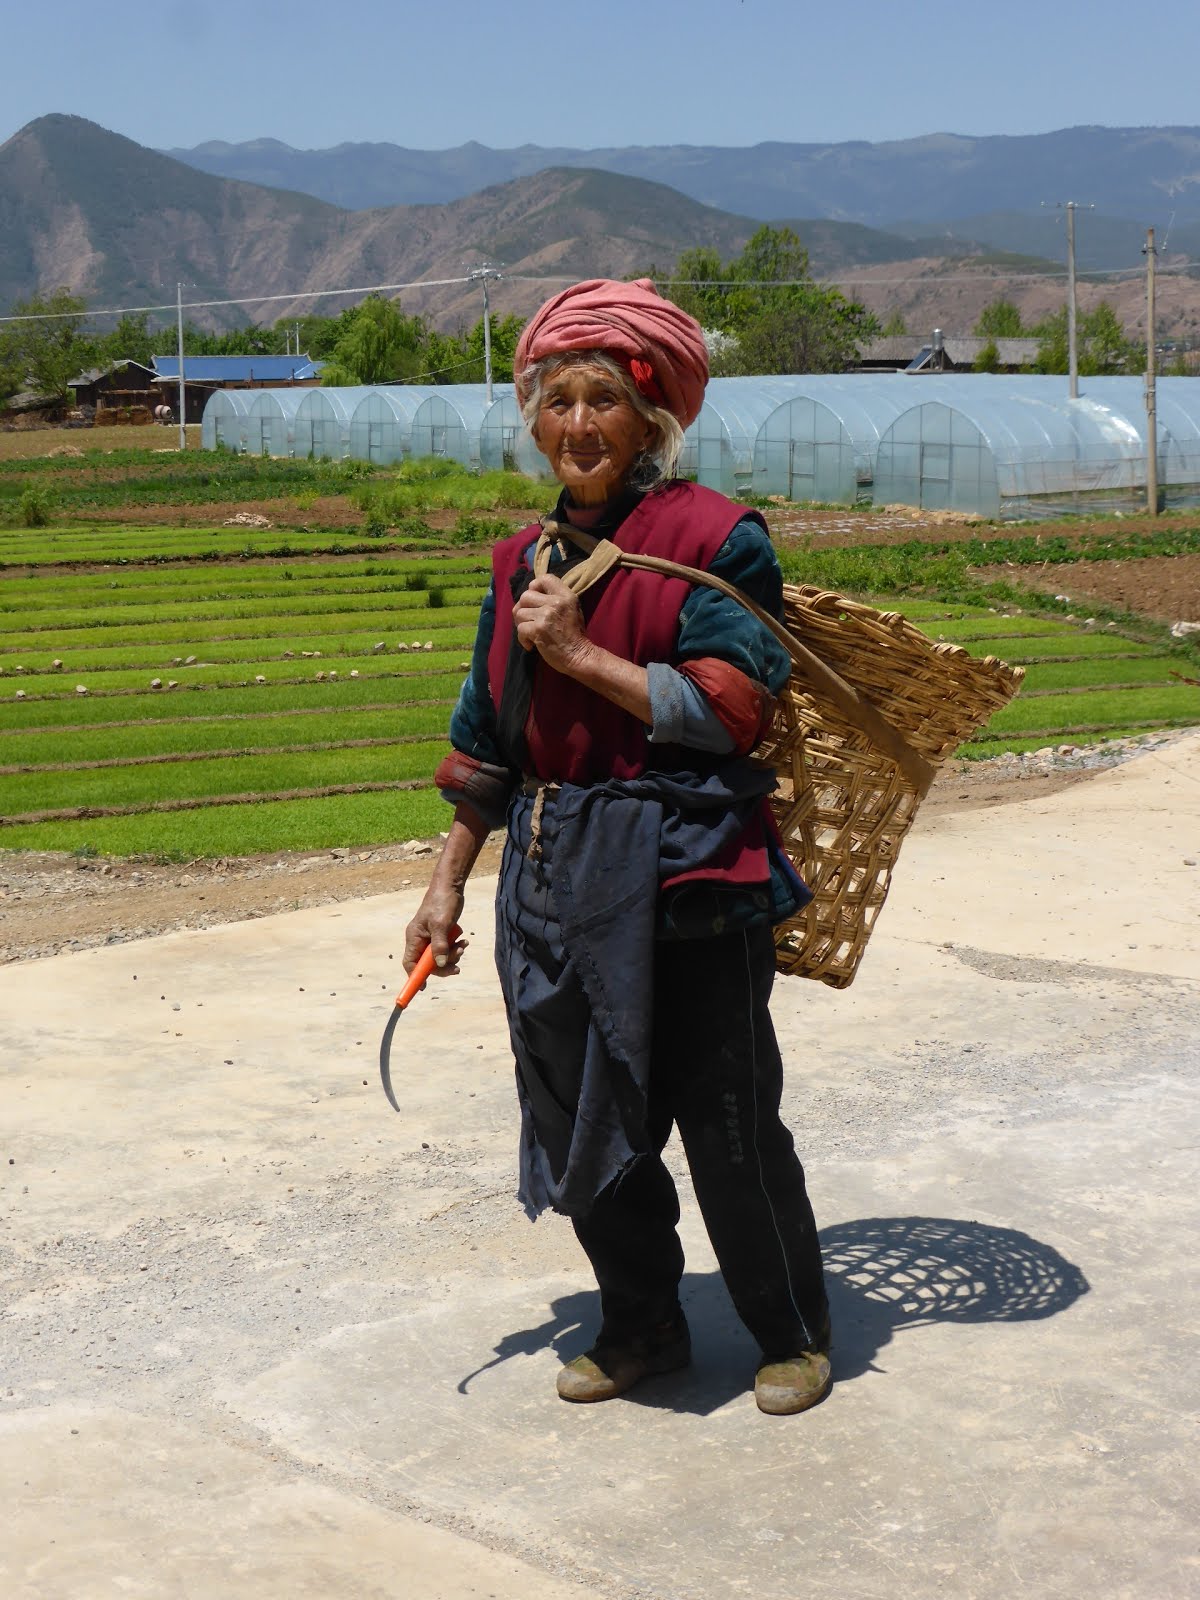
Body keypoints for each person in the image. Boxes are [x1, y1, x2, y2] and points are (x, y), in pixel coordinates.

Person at [404, 278, 830, 1415]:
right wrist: (445, 884)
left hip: (693, 876)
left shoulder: (718, 540)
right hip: (553, 877)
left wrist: (585, 656)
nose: (578, 424)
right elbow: (485, 740)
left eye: (604, 399)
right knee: (586, 1117)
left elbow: (738, 708)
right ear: (533, 421)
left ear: (654, 421)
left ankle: (790, 1330)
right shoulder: (519, 564)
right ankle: (642, 1323)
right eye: (556, 401)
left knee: (727, 1120)